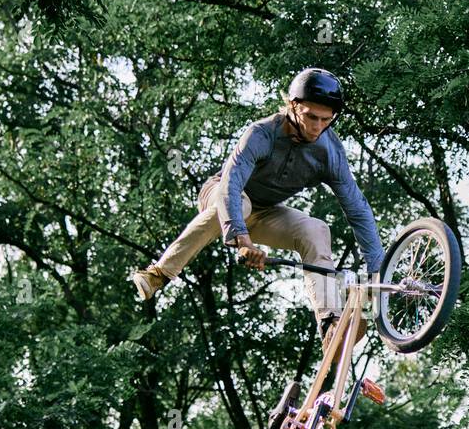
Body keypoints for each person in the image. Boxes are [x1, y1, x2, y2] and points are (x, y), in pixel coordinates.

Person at [129, 68, 385, 350]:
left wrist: (378, 271)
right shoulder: (262, 134)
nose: (317, 127)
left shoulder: (330, 152)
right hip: (221, 195)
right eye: (311, 116)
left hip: (266, 212)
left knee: (316, 229)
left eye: (326, 120)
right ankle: (158, 273)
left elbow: (358, 209)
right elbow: (231, 185)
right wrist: (242, 239)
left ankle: (331, 324)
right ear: (293, 105)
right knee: (242, 204)